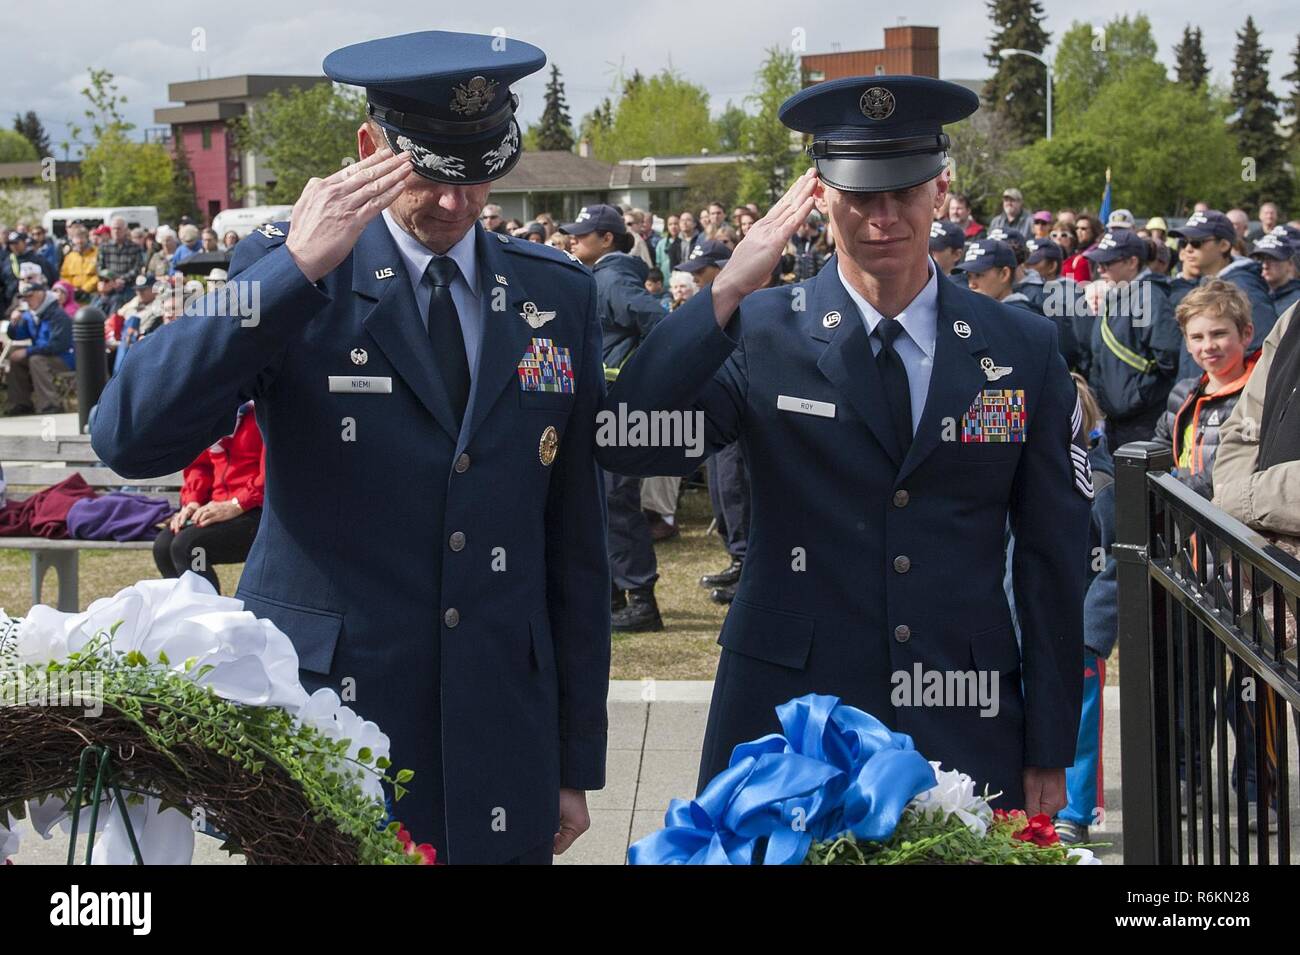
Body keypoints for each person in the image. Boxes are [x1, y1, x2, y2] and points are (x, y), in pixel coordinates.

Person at [92, 29, 610, 865]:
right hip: (330, 730)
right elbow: (128, 433)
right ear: (369, 149)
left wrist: (574, 755)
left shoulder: (556, 296)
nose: (457, 202)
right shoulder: (295, 278)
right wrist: (291, 270)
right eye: (431, 173)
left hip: (499, 732)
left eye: (479, 171)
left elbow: (575, 546)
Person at [599, 74, 1092, 813]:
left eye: (903, 191)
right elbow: (628, 439)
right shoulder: (764, 331)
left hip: (959, 708)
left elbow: (1053, 558)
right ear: (821, 197)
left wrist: (1050, 743)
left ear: (941, 191)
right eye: (860, 195)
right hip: (788, 713)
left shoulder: (1019, 346)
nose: (882, 217)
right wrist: (724, 292)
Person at [1212, 289, 1300, 834]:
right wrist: (1239, 498)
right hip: (1280, 583)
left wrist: (1243, 500)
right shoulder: (1293, 316)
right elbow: (1242, 429)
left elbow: (1238, 490)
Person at [561, 203, 668, 631]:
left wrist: (641, 379)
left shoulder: (612, 277)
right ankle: (614, 594)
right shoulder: (600, 275)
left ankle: (641, 601)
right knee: (602, 503)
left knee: (616, 503)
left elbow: (657, 319)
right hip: (606, 409)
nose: (573, 238)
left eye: (582, 233)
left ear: (607, 239)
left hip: (619, 411)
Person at [154, 400, 266, 594]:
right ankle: (181, 613)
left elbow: (271, 474)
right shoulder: (214, 411)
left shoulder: (263, 414)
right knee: (163, 547)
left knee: (189, 548)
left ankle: (209, 614)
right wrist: (192, 501)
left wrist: (236, 504)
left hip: (257, 512)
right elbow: (200, 465)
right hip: (218, 508)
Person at [1084, 228, 1181, 448]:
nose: (1100, 269)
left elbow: (1170, 356)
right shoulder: (1118, 296)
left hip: (1142, 420)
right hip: (1117, 419)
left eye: (1107, 263)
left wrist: (1139, 394)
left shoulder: (1149, 297)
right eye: (1098, 263)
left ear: (1132, 262)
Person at [1170, 210, 1276, 362]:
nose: (1188, 249)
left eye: (1196, 242)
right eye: (1184, 242)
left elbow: (1266, 348)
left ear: (1224, 245)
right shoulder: (1208, 283)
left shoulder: (1244, 287)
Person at [4, 276, 75, 415]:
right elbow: (17, 335)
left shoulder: (58, 315)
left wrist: (28, 352)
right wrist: (13, 323)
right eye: (24, 298)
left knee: (35, 359)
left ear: (40, 294)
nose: (26, 301)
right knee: (15, 355)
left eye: (29, 297)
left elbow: (58, 346)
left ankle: (50, 404)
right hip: (44, 354)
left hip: (65, 358)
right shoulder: (32, 315)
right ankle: (21, 403)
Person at [1250, 232, 1300, 317]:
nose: (1265, 265)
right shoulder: (1254, 293)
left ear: (1290, 264)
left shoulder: (1296, 301)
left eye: (1273, 258)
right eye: (1260, 259)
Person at [59, 224, 100, 301]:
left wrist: (85, 289)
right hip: (73, 294)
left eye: (82, 238)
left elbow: (98, 274)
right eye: (77, 238)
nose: (80, 241)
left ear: (87, 238)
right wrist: (72, 289)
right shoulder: (70, 256)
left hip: (92, 294)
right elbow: (64, 276)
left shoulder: (96, 253)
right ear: (72, 240)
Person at [1064, 216, 1098, 283]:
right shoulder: (1073, 250)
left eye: (1083, 228)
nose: (1079, 231)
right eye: (1076, 228)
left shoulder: (1096, 252)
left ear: (1093, 231)